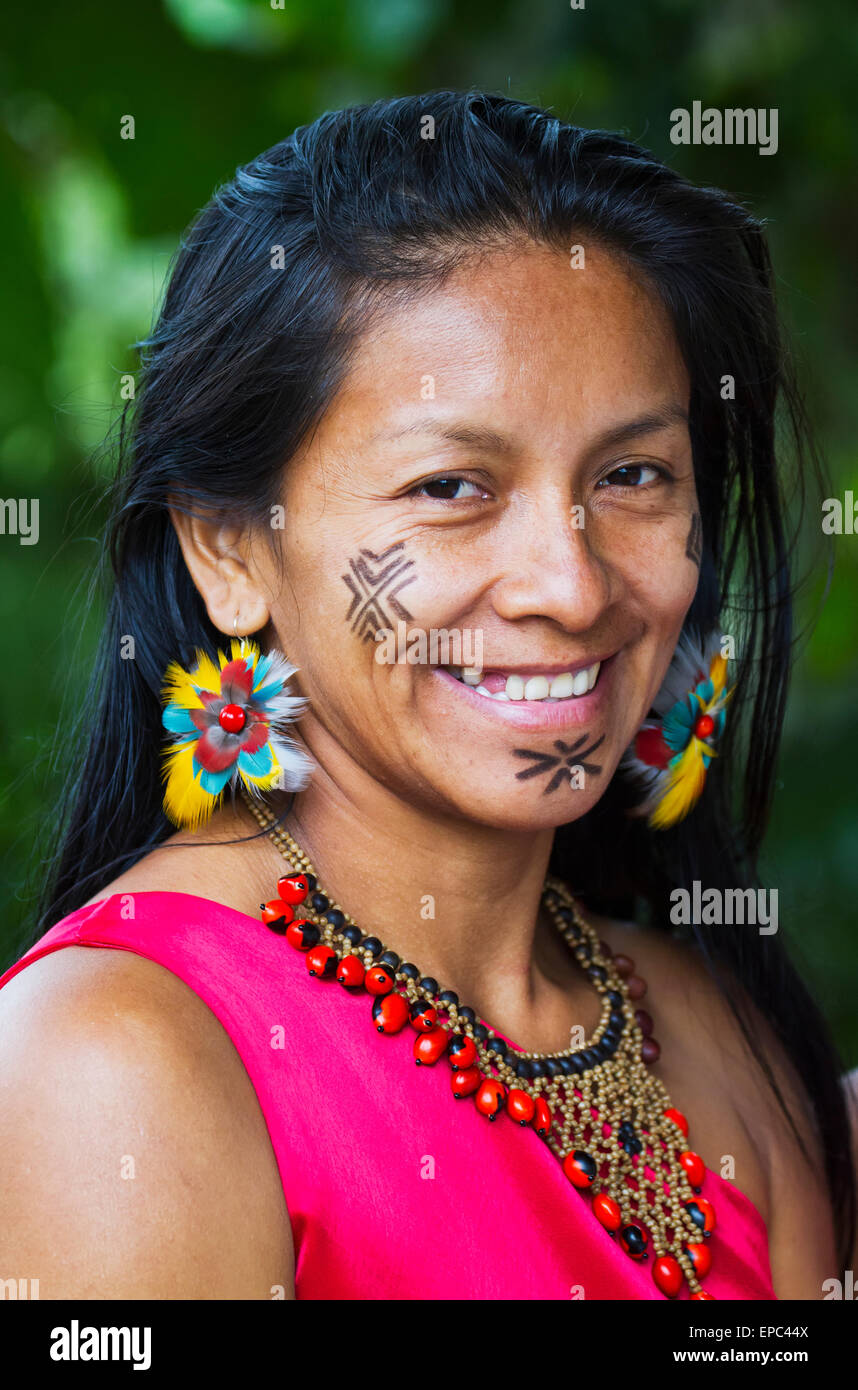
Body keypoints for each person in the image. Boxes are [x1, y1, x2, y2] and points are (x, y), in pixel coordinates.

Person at [0, 90, 854, 1301]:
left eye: (632, 473)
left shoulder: (715, 1036)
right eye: (453, 485)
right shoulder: (115, 1066)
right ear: (230, 549)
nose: (571, 584)